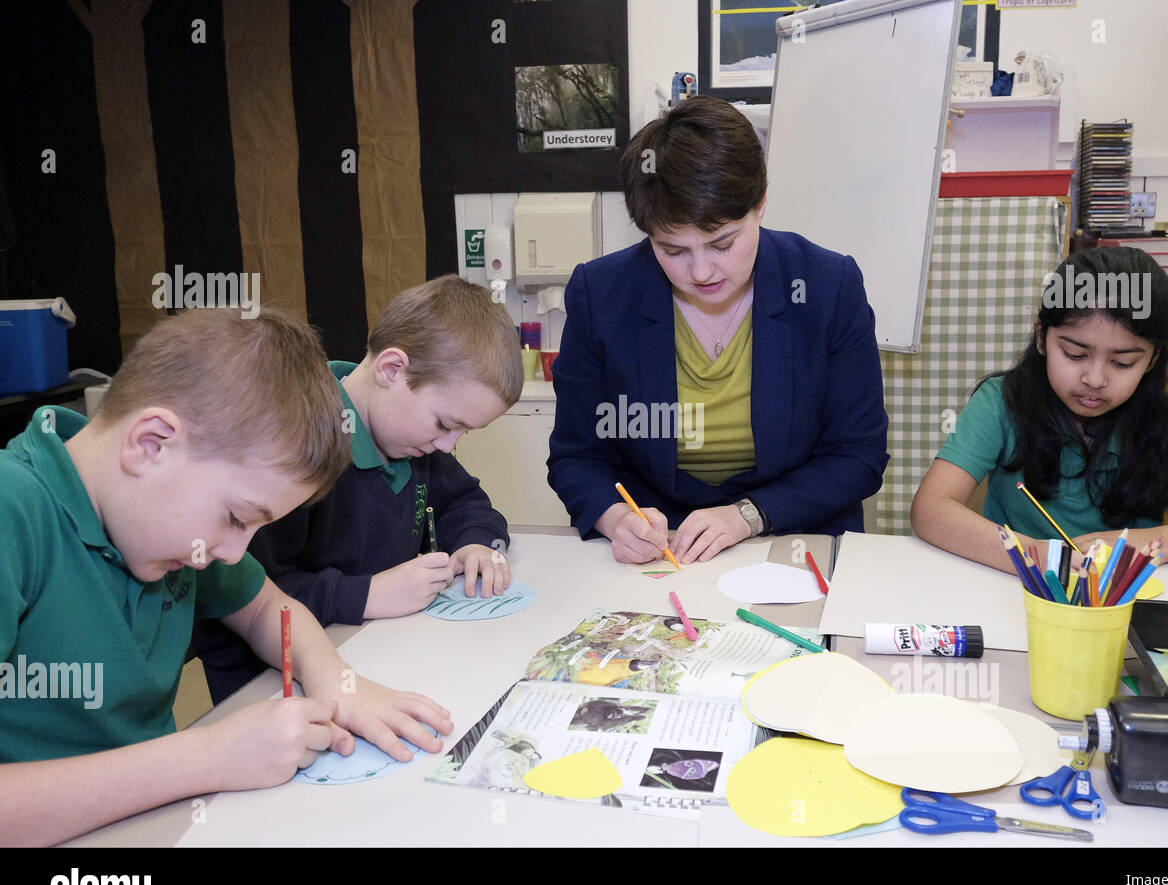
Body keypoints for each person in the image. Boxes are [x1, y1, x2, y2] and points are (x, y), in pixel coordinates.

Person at [0, 308, 452, 846]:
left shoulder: (162, 526)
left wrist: (331, 675)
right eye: (238, 518)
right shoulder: (14, 513)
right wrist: (209, 757)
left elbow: (267, 607)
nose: (236, 553)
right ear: (151, 444)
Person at [547, 95, 889, 565]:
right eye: (673, 250)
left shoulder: (827, 286)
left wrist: (745, 515)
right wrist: (614, 517)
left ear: (761, 206)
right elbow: (576, 456)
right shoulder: (601, 294)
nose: (702, 271)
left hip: (793, 535)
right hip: (661, 552)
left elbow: (858, 456)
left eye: (722, 243)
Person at [194, 276, 523, 704]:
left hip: (375, 655)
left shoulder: (413, 440)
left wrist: (476, 544)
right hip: (271, 686)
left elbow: (466, 501)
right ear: (391, 370)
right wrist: (367, 595)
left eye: (463, 432)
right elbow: (245, 591)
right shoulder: (294, 446)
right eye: (445, 423)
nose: (448, 445)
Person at [911, 246, 1168, 571]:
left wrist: (1151, 544)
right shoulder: (1001, 402)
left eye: (1122, 362)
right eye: (1075, 353)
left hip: (1125, 612)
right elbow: (931, 509)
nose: (1095, 379)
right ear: (1042, 338)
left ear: (1151, 359)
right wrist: (1043, 558)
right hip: (1013, 596)